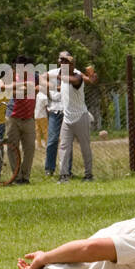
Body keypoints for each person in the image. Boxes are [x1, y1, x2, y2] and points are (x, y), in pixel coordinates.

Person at [51, 51, 97, 182]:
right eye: (62, 63)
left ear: (72, 65)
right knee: (64, 147)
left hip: (80, 117)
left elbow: (73, 80)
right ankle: (64, 175)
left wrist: (61, 76)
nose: (63, 65)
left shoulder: (77, 77)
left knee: (85, 147)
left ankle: (88, 175)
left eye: (66, 63)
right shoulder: (63, 76)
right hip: (67, 118)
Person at [4, 55, 38, 184]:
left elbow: (41, 87)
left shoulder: (34, 77)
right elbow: (4, 89)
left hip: (29, 118)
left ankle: (25, 176)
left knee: (29, 148)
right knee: (13, 148)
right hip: (13, 117)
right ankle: (16, 177)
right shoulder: (12, 77)